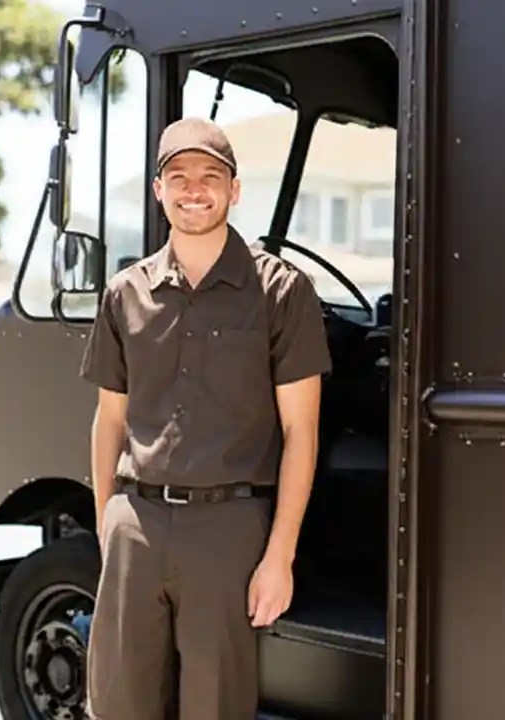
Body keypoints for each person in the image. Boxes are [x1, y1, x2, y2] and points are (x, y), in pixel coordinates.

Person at [78, 115, 333, 719]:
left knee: (215, 708)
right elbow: (108, 421)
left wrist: (279, 557)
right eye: (179, 176)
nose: (195, 189)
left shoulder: (280, 291)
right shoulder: (124, 293)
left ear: (235, 190)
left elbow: (302, 433)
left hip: (228, 528)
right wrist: (108, 525)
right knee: (118, 704)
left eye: (210, 176)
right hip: (134, 522)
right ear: (159, 190)